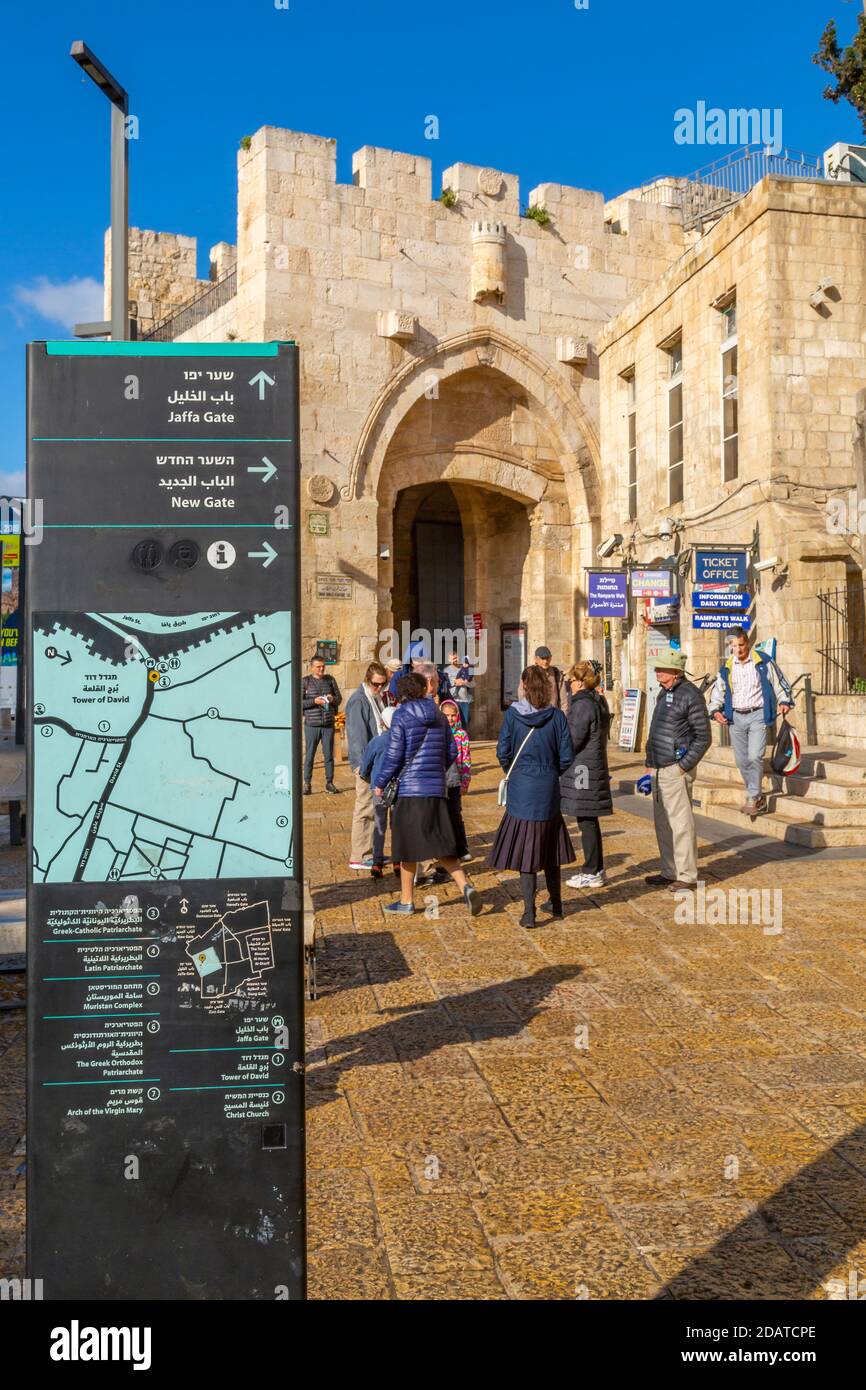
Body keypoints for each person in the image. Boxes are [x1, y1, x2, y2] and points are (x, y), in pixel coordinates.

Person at [374, 671, 481, 917]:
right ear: (423, 689)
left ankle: (406, 901)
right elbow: (452, 750)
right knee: (442, 843)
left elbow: (394, 755)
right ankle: (465, 886)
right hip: (435, 788)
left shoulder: (401, 715)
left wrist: (380, 782)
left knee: (405, 846)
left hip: (410, 789)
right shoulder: (439, 715)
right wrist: (435, 771)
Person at [489, 664, 575, 928]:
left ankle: (529, 912)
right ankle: (557, 904)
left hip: (522, 789)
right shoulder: (558, 717)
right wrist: (549, 772)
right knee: (550, 848)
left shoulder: (513, 716)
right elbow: (567, 756)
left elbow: (502, 751)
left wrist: (516, 772)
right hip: (548, 788)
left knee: (528, 852)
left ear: (525, 687)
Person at [643, 648, 711, 891]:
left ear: (676, 672)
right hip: (660, 767)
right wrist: (650, 760)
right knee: (663, 822)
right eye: (657, 668)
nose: (657, 672)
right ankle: (669, 870)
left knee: (681, 824)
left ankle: (687, 875)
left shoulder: (690, 695)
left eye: (662, 668)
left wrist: (683, 766)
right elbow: (658, 728)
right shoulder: (664, 694)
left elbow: (703, 738)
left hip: (675, 767)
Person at [708, 627, 794, 815]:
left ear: (747, 643)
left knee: (754, 756)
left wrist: (784, 700)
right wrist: (715, 711)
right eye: (734, 645)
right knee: (741, 760)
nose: (738, 649)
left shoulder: (762, 661)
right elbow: (718, 692)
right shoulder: (726, 668)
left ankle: (753, 796)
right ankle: (757, 795)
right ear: (729, 646)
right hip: (735, 718)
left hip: (757, 715)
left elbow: (779, 682)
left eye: (741, 644)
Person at [560, 661, 613, 890]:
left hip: (583, 767)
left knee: (586, 818)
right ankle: (596, 868)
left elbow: (574, 738)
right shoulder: (597, 700)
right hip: (592, 764)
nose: (568, 686)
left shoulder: (582, 705)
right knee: (589, 819)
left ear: (580, 682)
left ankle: (591, 871)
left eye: (570, 681)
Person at [344, 660, 389, 870]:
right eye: (375, 684)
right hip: (366, 763)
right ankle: (358, 855)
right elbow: (356, 737)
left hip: (376, 761)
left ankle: (369, 851)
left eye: (382, 684)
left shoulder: (376, 697)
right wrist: (361, 767)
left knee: (373, 808)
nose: (379, 688)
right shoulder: (359, 701)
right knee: (364, 808)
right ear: (367, 680)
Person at [359, 705, 396, 878]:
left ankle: (377, 862)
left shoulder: (376, 741)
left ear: (382, 722)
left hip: (379, 789)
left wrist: (365, 775)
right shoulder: (402, 740)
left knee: (379, 825)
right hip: (398, 790)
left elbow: (365, 765)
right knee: (396, 826)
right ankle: (398, 860)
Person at [302, 654, 342, 794]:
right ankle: (307, 784)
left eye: (323, 666)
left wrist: (331, 699)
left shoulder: (330, 680)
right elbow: (298, 704)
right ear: (312, 667)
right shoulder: (305, 682)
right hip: (311, 725)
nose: (321, 669)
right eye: (318, 666)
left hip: (328, 724)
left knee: (328, 756)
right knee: (310, 755)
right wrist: (314, 702)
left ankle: (329, 783)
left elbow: (339, 699)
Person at [441, 699, 472, 860]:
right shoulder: (438, 732)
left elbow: (465, 759)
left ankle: (462, 848)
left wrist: (465, 781)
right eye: (446, 715)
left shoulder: (461, 734)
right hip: (440, 780)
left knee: (455, 814)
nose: (450, 719)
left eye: (453, 715)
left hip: (456, 779)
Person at [442, 649, 474, 728]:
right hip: (452, 700)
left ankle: (463, 739)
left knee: (465, 723)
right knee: (451, 723)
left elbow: (473, 683)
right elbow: (444, 685)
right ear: (448, 660)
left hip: (464, 700)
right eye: (452, 659)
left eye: (455, 658)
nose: (454, 660)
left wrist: (464, 682)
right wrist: (455, 683)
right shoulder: (446, 671)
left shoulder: (465, 669)